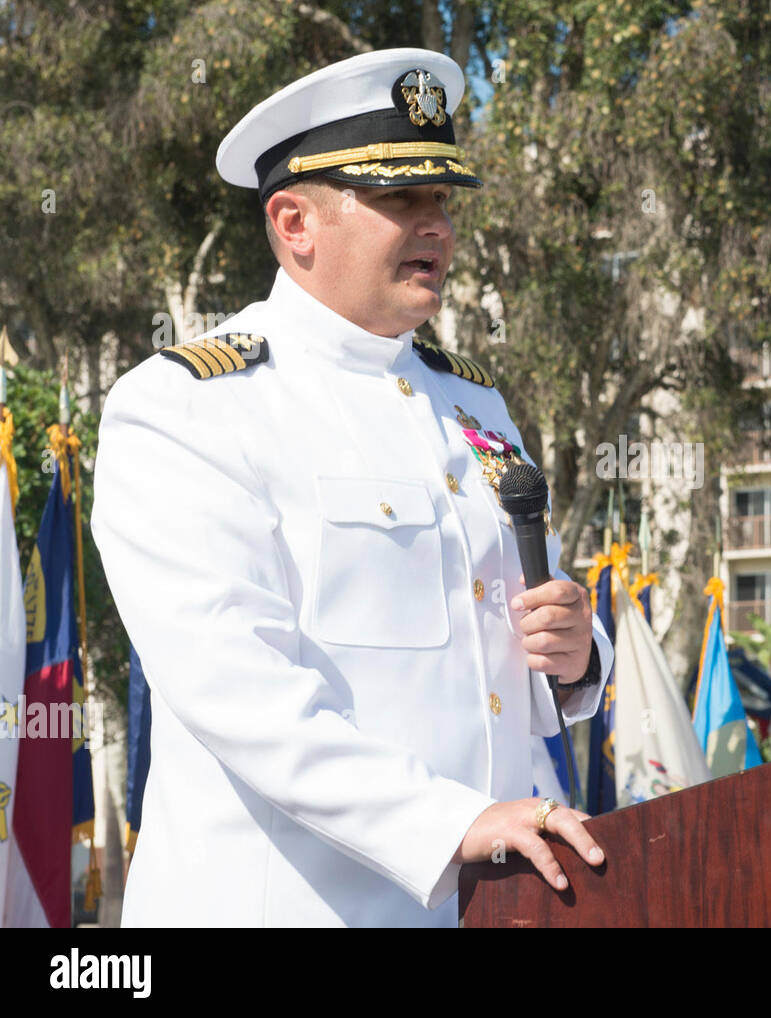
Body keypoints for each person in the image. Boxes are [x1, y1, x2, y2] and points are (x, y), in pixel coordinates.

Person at [90, 48, 612, 927]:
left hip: (479, 910)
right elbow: (237, 686)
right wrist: (451, 822)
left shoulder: (474, 402)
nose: (438, 225)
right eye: (401, 198)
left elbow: (523, 626)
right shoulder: (187, 406)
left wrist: (578, 653)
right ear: (295, 223)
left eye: (443, 199)